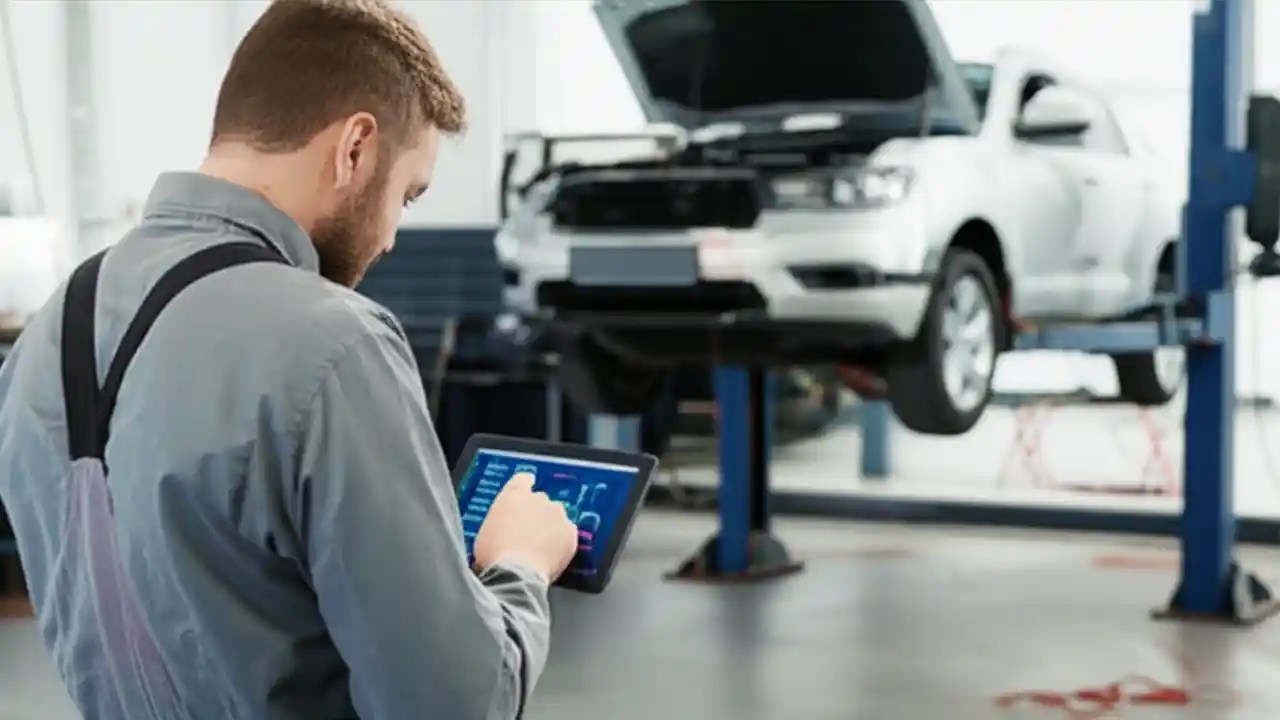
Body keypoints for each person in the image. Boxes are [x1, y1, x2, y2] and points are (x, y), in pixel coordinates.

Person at [0, 1, 579, 718]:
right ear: (356, 148)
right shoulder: (334, 343)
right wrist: (518, 565)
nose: (394, 236)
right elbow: (452, 702)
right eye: (407, 193)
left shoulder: (44, 339)